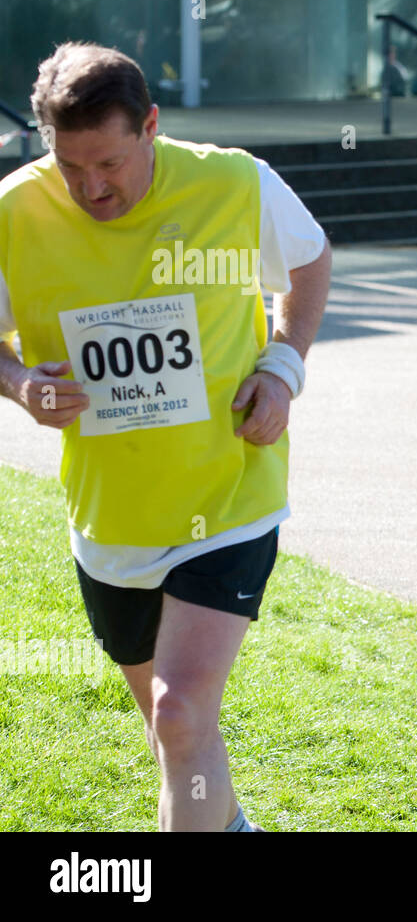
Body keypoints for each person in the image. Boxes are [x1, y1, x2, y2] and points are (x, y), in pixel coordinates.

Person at [0, 43, 331, 831]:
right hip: (110, 516)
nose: (91, 187)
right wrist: (22, 386)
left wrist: (283, 366)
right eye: (70, 166)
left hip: (229, 494)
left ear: (150, 125)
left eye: (109, 161)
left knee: (181, 715)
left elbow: (312, 261)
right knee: (168, 728)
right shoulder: (15, 211)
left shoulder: (235, 183)